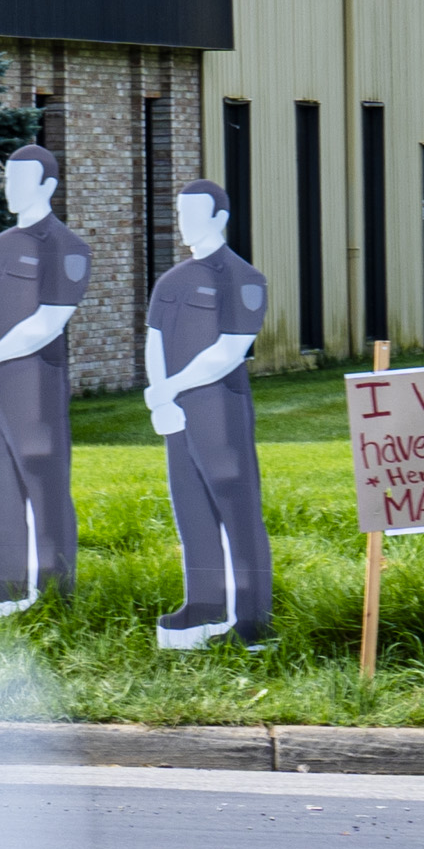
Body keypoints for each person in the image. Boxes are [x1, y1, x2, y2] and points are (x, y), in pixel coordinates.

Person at [0, 143, 85, 622]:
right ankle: (2, 581)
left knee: (43, 479)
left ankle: (56, 590)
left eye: (21, 180)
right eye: (7, 180)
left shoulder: (67, 248)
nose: (10, 189)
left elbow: (47, 322)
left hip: (34, 381)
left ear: (48, 186)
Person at [145, 179, 272, 650]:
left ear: (220, 216)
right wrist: (160, 396)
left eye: (194, 213)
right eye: (180, 213)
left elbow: (228, 353)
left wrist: (167, 391)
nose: (184, 222)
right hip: (178, 413)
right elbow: (154, 340)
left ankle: (253, 622)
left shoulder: (245, 279)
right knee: (191, 508)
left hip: (220, 411)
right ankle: (204, 604)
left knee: (237, 510)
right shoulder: (172, 281)